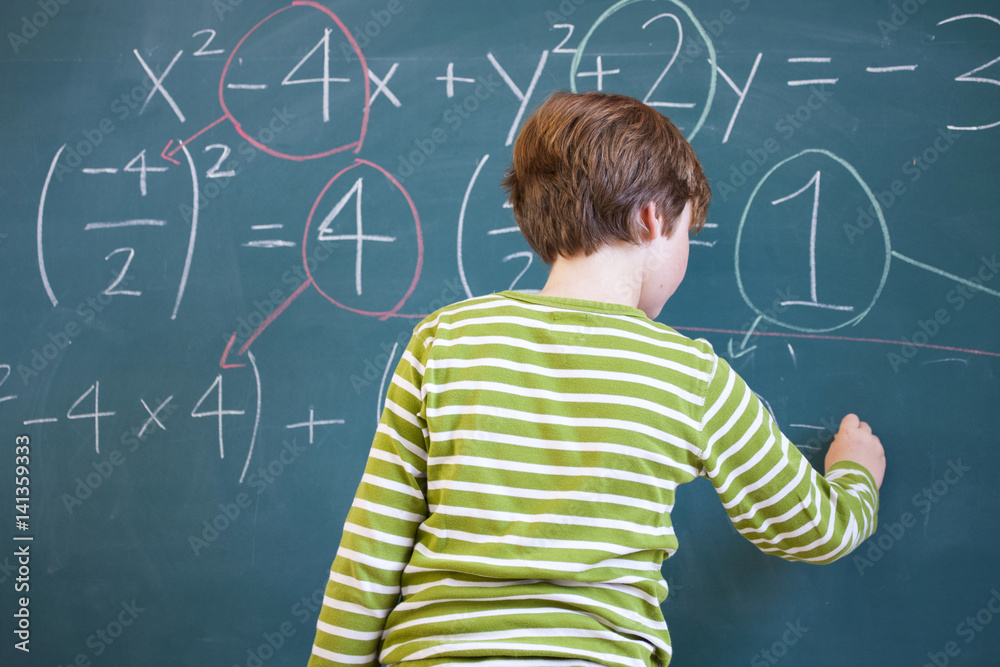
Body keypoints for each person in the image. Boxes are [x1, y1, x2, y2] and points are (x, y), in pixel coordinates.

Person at [307, 91, 885, 667]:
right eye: (687, 231)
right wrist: (856, 473)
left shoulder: (445, 338)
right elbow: (813, 527)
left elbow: (370, 551)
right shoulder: (691, 376)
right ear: (653, 216)